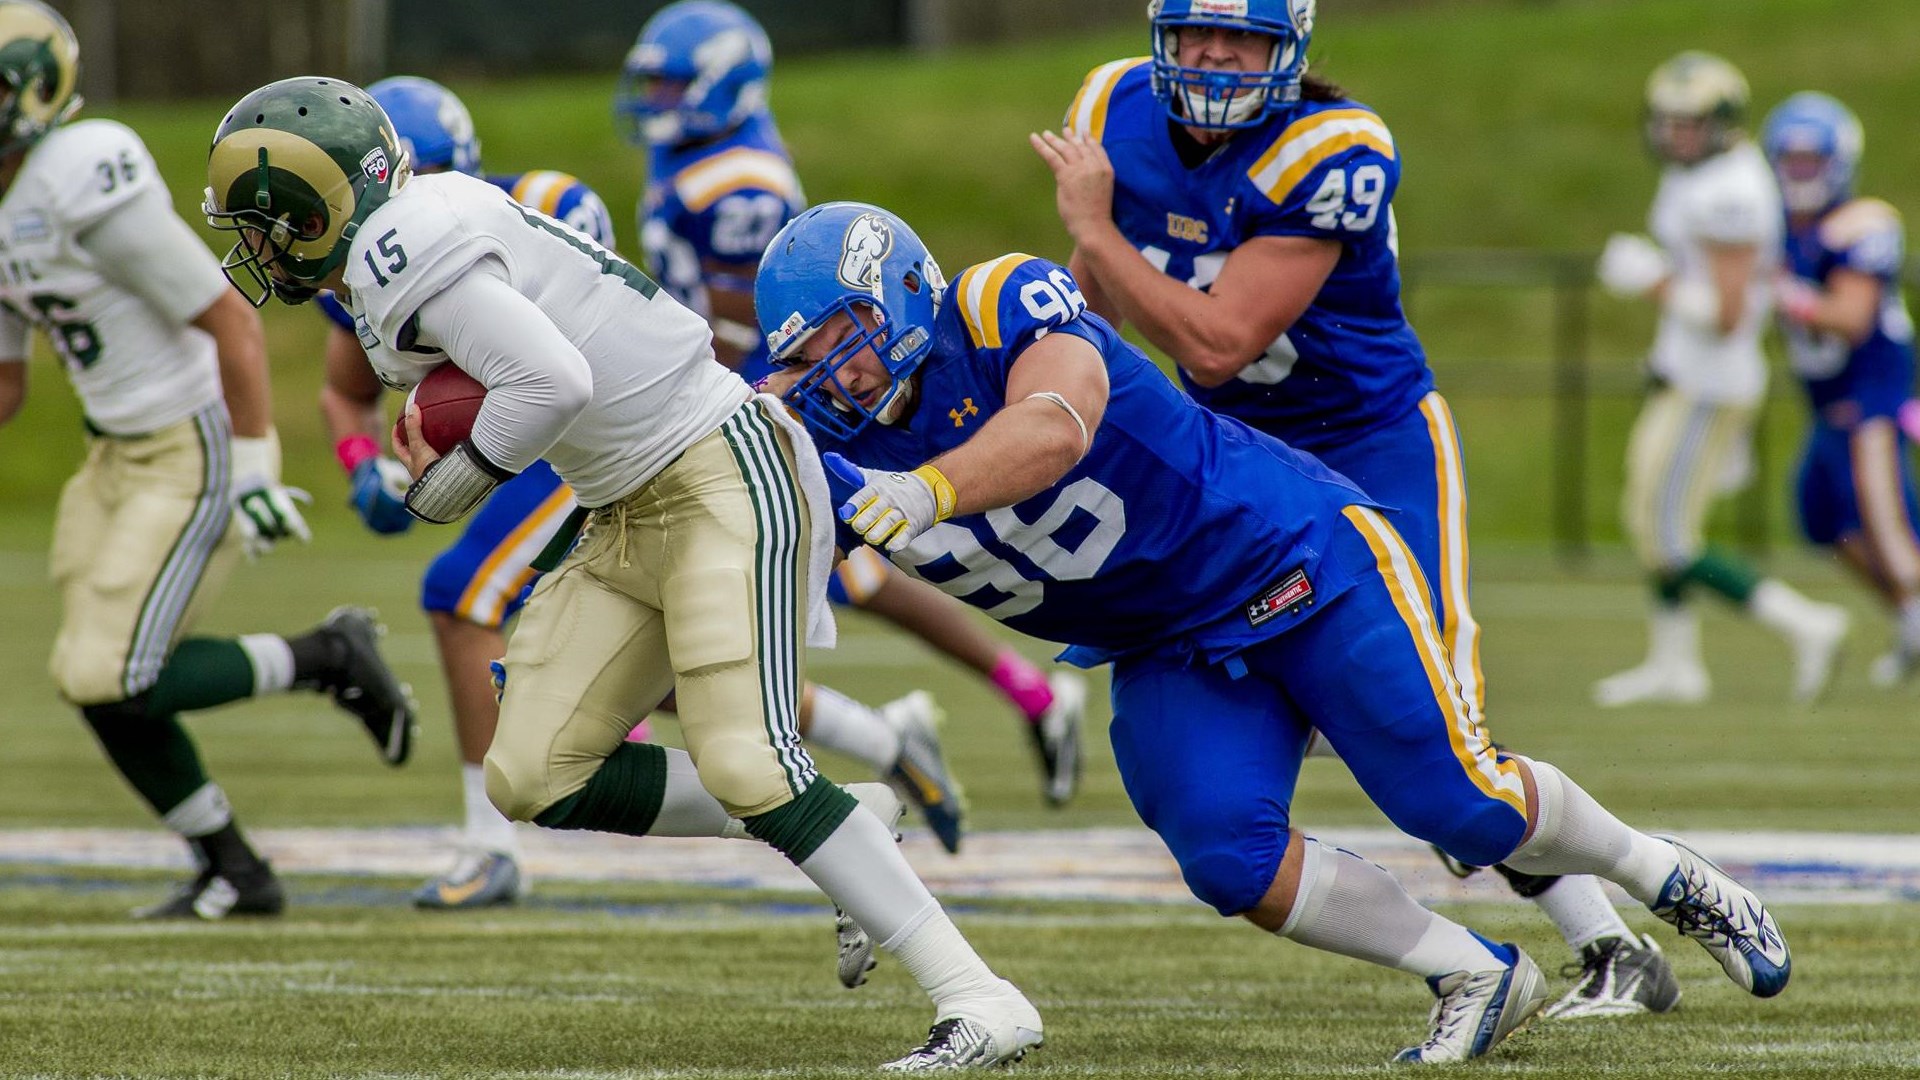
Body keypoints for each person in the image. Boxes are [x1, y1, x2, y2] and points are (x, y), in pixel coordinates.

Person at [754, 200, 1792, 1063]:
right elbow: (751, 599)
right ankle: (1475, 970)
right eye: (806, 363)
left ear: (895, 299)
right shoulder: (819, 453)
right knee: (1222, 853)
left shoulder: (994, 303)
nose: (828, 380)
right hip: (1163, 637)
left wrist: (928, 489)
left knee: (1459, 803)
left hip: (1289, 556)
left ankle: (1668, 877)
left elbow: (1057, 422)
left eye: (840, 345)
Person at [206, 77, 1041, 1069]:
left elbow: (554, 381)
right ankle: (848, 813)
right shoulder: (408, 237)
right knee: (536, 772)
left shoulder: (402, 248)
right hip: (625, 504)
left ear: (322, 213)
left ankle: (980, 997)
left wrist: (443, 490)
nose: (255, 247)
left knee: (747, 762)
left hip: (720, 467)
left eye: (268, 223)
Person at [1031, 0, 1674, 1018]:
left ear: (1286, 52)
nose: (1211, 54)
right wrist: (1062, 409)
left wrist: (1096, 232)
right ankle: (1595, 943)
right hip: (1245, 461)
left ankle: (1616, 938)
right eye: (1195, 31)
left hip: (1371, 442)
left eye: (1239, 37)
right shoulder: (1113, 103)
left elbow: (1214, 345)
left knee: (1432, 740)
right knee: (1386, 741)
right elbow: (1096, 300)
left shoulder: (1333, 149)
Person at [0, 0, 417, 920]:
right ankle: (233, 865)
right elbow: (7, 388)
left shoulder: (78, 170)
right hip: (111, 453)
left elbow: (229, 318)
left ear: (36, 91)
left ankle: (326, 656)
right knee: (89, 675)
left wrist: (257, 462)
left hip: (192, 441)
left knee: (119, 674)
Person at [618, 0, 1087, 816]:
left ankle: (1003, 705)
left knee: (848, 561)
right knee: (850, 573)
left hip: (802, 390)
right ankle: (997, 706)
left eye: (672, 84)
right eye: (652, 85)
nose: (658, 101)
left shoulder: (737, 183)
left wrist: (699, 414)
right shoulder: (700, 161)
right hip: (774, 388)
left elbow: (734, 332)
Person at [1590, 52, 1848, 706]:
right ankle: (1675, 664)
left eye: (1692, 121)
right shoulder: (1698, 176)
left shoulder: (1729, 190)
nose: (1677, 134)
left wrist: (1648, 279)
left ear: (1725, 123)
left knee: (1670, 534)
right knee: (1650, 517)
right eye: (1669, 121)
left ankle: (1805, 623)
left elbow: (1728, 316)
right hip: (1687, 375)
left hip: (1712, 380)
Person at [1764, 93, 1920, 684]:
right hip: (1826, 406)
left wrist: (1788, 295)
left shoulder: (1862, 222)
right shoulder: (1776, 227)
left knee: (1892, 531)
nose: (1800, 173)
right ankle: (1910, 616)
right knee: (1821, 519)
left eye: (1811, 160)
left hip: (1872, 397)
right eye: (1791, 160)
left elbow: (1852, 317)